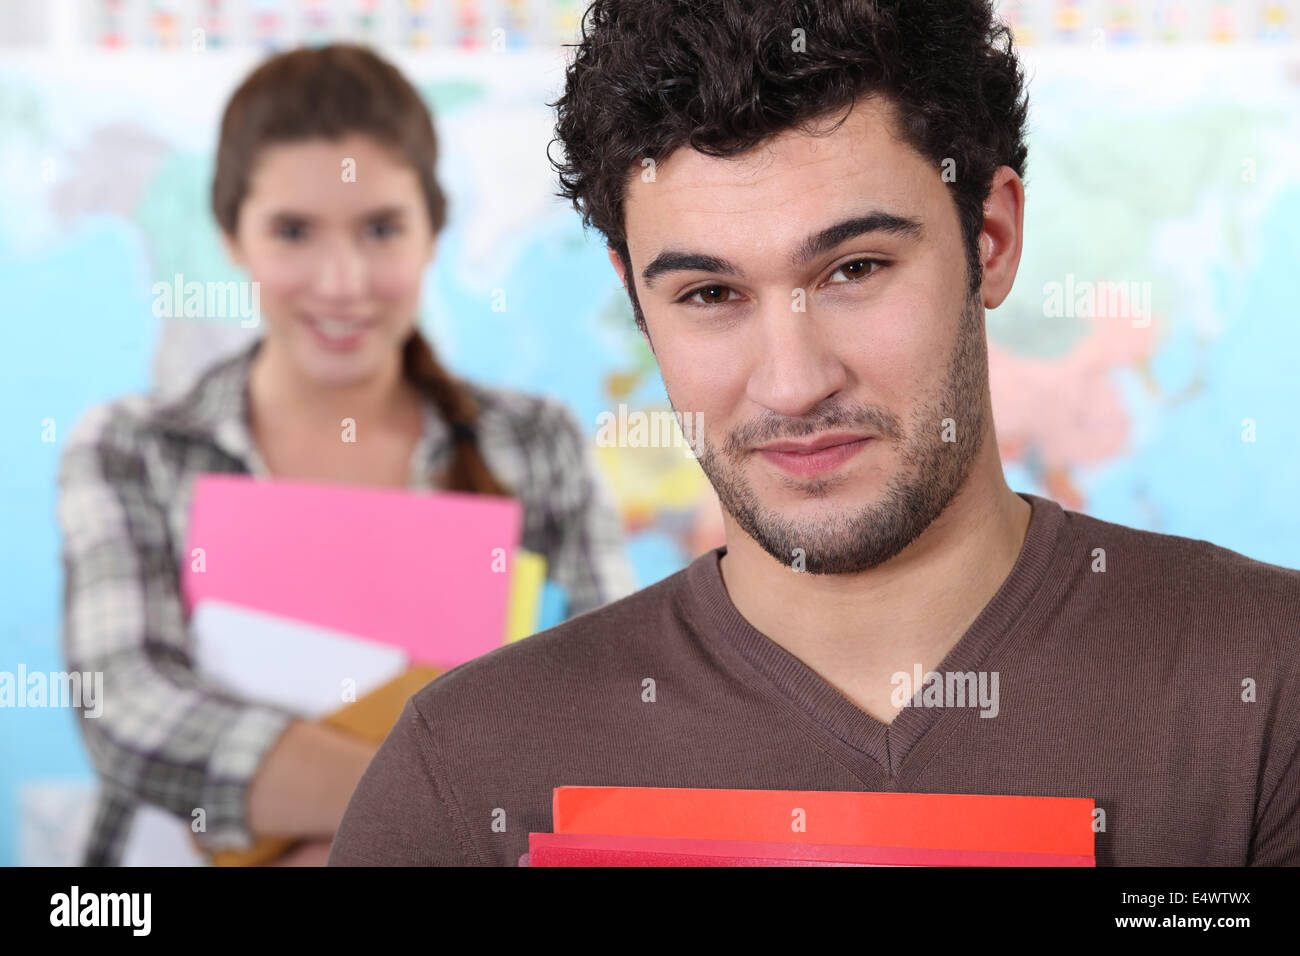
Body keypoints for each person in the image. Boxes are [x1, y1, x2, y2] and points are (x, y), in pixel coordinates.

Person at [328, 0, 1300, 867]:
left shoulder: (1270, 687)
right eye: (710, 293)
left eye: (855, 269)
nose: (793, 384)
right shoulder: (463, 773)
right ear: (635, 299)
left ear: (990, 238)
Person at [56, 43, 635, 867]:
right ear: (232, 237)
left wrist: (334, 808)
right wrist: (435, 813)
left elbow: (602, 714)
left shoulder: (537, 443)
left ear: (433, 231)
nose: (342, 281)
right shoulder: (135, 448)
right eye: (293, 231)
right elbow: (130, 712)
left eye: (380, 229)